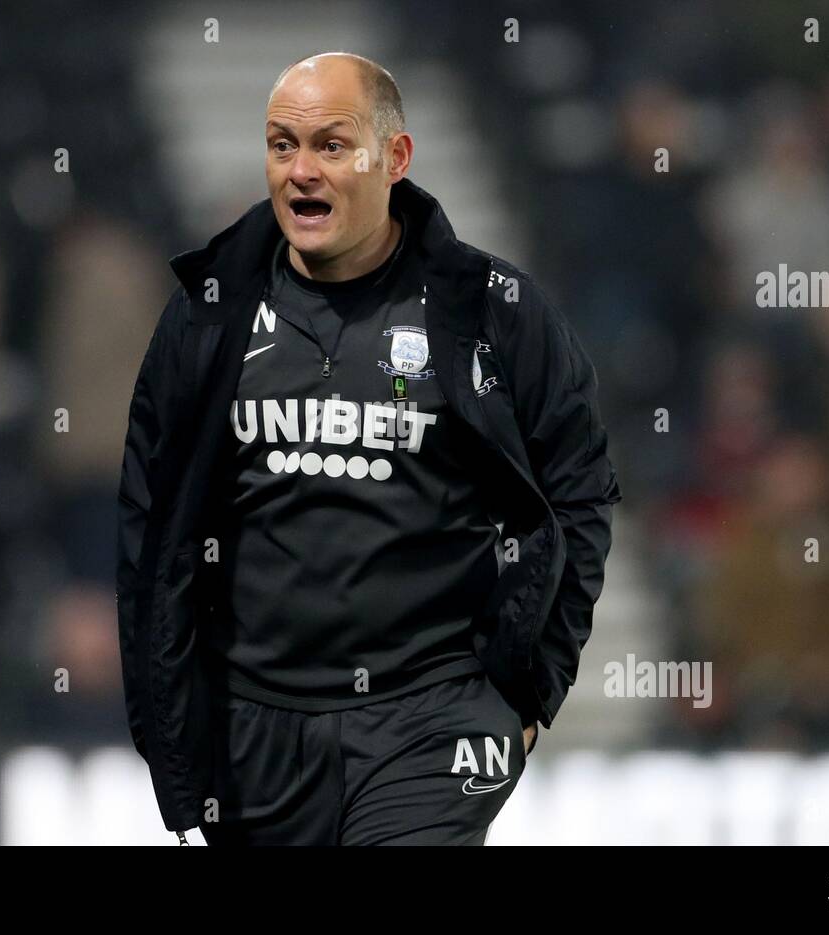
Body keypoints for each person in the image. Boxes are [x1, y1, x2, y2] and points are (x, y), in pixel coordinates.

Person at [117, 51, 622, 845]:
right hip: (253, 733)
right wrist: (169, 730)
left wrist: (530, 692)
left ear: (395, 158)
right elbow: (150, 531)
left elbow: (581, 492)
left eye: (330, 145)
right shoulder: (206, 317)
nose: (300, 171)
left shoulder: (495, 313)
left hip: (431, 719)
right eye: (282, 145)